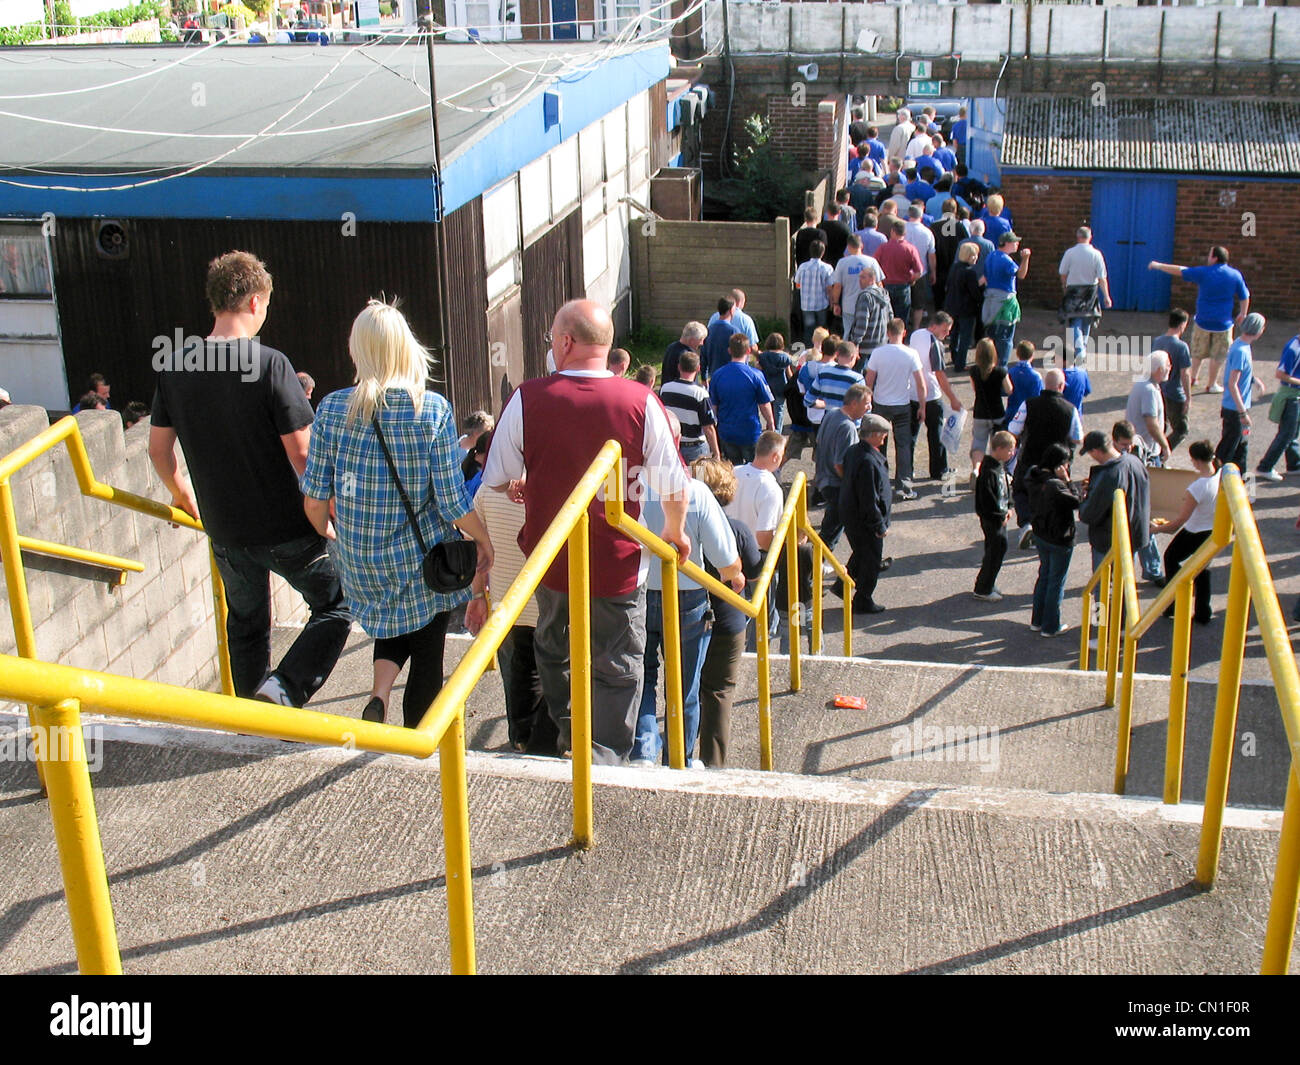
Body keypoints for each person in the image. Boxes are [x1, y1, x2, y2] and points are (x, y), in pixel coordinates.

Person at [482, 298, 690, 766]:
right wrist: (676, 534)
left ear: (566, 342)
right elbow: (676, 485)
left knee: (554, 650)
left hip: (552, 561)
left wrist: (527, 479)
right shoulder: (641, 401)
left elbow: (496, 476)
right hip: (618, 565)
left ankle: (570, 739)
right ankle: (607, 755)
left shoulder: (528, 397)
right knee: (618, 663)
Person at [149, 250, 350, 708]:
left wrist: (182, 494)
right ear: (256, 302)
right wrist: (329, 511)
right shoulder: (270, 365)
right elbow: (303, 455)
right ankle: (284, 688)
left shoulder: (175, 366)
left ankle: (250, 711)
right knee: (337, 603)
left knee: (245, 623)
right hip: (287, 529)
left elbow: (158, 450)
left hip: (224, 530)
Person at [301, 301, 492, 728]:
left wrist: (330, 537)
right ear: (407, 347)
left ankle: (378, 695)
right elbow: (451, 500)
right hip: (421, 559)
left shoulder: (331, 408)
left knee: (391, 621)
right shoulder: (431, 410)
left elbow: (314, 497)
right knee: (427, 645)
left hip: (358, 561)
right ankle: (418, 734)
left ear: (358, 350)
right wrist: (482, 539)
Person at [633, 414, 745, 768]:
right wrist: (737, 581)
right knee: (685, 687)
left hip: (635, 593)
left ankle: (642, 754)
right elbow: (728, 564)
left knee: (642, 678)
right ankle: (679, 758)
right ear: (677, 442)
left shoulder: (625, 487)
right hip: (687, 598)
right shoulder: (694, 491)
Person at [467, 446, 555, 754]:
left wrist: (477, 594)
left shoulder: (487, 491)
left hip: (507, 606)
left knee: (518, 674)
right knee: (555, 676)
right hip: (550, 606)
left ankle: (521, 737)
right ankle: (547, 743)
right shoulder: (554, 490)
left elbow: (476, 551)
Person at [691, 458, 763, 769]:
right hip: (730, 620)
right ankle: (713, 764)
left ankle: (676, 756)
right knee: (718, 691)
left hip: (687, 616)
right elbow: (756, 568)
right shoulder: (738, 530)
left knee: (685, 686)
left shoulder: (677, 529)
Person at [1148, 247, 1250, 393]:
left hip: (1203, 321)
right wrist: (1243, 313)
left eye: (1209, 255)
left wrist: (1159, 266)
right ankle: (1212, 383)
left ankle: (1193, 378)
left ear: (1214, 258)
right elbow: (1244, 296)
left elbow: (1181, 270)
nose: (1208, 257)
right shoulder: (1235, 275)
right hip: (1223, 324)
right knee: (1218, 356)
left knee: (1197, 353)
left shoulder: (1204, 272)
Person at [1007, 368, 1082, 549]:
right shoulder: (1070, 410)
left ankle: (1026, 524)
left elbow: (1013, 429)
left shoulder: (1029, 404)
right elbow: (1078, 438)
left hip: (1029, 459)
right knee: (1052, 497)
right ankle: (1046, 533)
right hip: (1056, 464)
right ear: (1061, 386)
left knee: (1021, 492)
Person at [1157, 440, 1221, 626]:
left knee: (1171, 558)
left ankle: (1173, 603)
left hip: (1193, 531)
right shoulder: (1220, 473)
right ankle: (1203, 612)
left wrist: (1154, 529)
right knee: (1202, 568)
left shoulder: (1198, 488)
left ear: (1196, 460)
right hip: (1211, 531)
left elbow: (1178, 522)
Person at [864, 318, 927, 500]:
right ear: (904, 333)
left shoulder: (878, 353)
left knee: (877, 445)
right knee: (904, 446)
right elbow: (921, 384)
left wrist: (869, 401)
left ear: (887, 333)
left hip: (881, 404)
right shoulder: (911, 354)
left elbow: (869, 380)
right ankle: (904, 487)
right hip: (902, 405)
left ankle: (879, 483)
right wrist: (922, 406)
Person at [1079, 429, 1152, 576]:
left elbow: (1088, 514)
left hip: (1109, 541)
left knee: (1102, 584)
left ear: (1096, 451)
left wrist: (1085, 498)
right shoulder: (1135, 461)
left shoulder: (1109, 475)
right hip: (1135, 534)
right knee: (1126, 581)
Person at [1025, 443, 1080, 638]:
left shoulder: (1033, 475)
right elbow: (1076, 501)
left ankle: (1037, 621)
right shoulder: (1055, 485)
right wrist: (1068, 481)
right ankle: (1050, 626)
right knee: (1056, 582)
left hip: (1041, 534)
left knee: (1045, 576)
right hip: (1059, 537)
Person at [840, 413, 893, 615]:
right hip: (864, 521)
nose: (884, 437)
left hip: (852, 516)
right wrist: (879, 526)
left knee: (862, 553)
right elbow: (868, 498)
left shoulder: (854, 452)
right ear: (872, 435)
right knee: (871, 559)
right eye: (882, 434)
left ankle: (841, 585)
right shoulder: (868, 461)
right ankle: (863, 600)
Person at [814, 382, 871, 553]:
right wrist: (851, 487)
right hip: (836, 486)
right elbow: (840, 464)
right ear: (854, 403)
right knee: (830, 534)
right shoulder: (848, 427)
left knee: (832, 528)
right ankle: (810, 572)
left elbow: (818, 443)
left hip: (823, 480)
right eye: (866, 403)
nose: (869, 407)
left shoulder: (831, 414)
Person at [909, 313, 963, 481]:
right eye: (945, 330)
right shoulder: (935, 344)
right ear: (934, 326)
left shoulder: (916, 335)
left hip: (912, 393)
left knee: (910, 435)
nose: (947, 334)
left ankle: (907, 470)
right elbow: (939, 374)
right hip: (931, 394)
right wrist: (953, 398)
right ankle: (939, 470)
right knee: (936, 434)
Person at [710, 332, 776, 464]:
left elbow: (714, 406)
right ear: (749, 350)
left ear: (729, 350)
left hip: (727, 432)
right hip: (750, 432)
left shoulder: (717, 375)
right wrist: (771, 422)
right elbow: (764, 404)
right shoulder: (756, 375)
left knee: (732, 471)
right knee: (755, 468)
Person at [1216, 312, 1266, 472]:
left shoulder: (1241, 345)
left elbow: (1240, 373)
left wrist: (1253, 379)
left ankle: (1240, 480)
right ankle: (1216, 478)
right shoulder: (1241, 351)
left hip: (1238, 407)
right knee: (1229, 448)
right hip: (1235, 409)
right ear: (1258, 331)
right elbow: (1233, 384)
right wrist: (1243, 413)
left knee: (1241, 446)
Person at [973, 430, 1016, 602]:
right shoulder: (988, 471)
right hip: (992, 519)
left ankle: (988, 582)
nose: (1012, 453)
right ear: (998, 448)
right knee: (996, 549)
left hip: (999, 516)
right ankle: (983, 588)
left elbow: (1006, 490)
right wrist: (1001, 515)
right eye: (1010, 450)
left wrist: (1010, 506)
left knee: (996, 549)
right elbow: (988, 499)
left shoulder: (998, 466)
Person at [1058, 227, 1111, 364]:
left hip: (1073, 290)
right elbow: (1102, 278)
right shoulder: (1096, 254)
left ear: (1077, 236)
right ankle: (1082, 349)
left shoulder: (1070, 253)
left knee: (1074, 321)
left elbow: (1063, 273)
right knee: (1086, 319)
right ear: (1090, 237)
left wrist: (1064, 287)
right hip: (1090, 291)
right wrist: (1106, 296)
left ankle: (1080, 350)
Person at [660, 350, 719, 463]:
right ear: (698, 368)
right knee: (699, 479)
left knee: (674, 479)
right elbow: (708, 427)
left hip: (673, 444)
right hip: (696, 448)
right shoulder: (700, 393)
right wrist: (716, 453)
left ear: (679, 367)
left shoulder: (665, 389)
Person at [1257, 330, 1300, 481]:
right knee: (1286, 434)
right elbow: (1280, 374)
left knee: (1293, 432)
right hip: (1290, 396)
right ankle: (1265, 466)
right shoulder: (1293, 349)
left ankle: (1294, 464)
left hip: (1295, 396)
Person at [983, 230, 1030, 367]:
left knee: (991, 334)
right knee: (1005, 336)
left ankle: (989, 363)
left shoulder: (990, 256)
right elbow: (1021, 275)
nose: (1017, 244)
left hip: (990, 299)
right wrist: (1026, 259)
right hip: (1005, 301)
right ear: (1007, 243)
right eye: (1015, 241)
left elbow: (985, 277)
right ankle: (1002, 367)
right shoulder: (1006, 260)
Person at [968, 337, 1011, 481]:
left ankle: (976, 469)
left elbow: (974, 389)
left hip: (980, 412)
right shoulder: (1000, 371)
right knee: (998, 444)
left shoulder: (974, 371)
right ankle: (995, 473)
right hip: (997, 413)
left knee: (978, 443)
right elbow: (1009, 389)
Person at [1153, 309, 1193, 452]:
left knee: (1161, 426)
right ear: (1182, 325)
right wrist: (1188, 397)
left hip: (1159, 390)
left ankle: (1157, 453)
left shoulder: (1157, 341)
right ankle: (1163, 452)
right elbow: (1185, 374)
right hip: (1175, 394)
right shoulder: (1182, 347)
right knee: (1181, 430)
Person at [829, 233, 884, 335]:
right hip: (869, 305)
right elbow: (879, 284)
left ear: (848, 247)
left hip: (849, 305)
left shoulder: (842, 262)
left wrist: (835, 303)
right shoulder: (872, 261)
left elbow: (837, 286)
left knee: (849, 333)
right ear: (861, 246)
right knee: (868, 332)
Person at [874, 218, 924, 325]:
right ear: (904, 233)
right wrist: (911, 280)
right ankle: (900, 338)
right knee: (901, 318)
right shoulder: (910, 249)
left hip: (885, 286)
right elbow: (919, 271)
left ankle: (886, 338)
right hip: (903, 286)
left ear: (892, 231)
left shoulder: (883, 248)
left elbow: (874, 266)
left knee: (885, 317)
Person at [944, 241, 983, 373]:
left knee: (954, 335)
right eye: (974, 256)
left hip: (952, 307)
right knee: (965, 338)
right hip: (966, 309)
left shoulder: (954, 267)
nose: (976, 258)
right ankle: (960, 365)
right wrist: (980, 285)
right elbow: (975, 293)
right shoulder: (970, 273)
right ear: (969, 257)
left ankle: (955, 358)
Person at [794, 241, 834, 347]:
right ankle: (822, 349)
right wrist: (832, 301)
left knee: (808, 330)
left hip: (806, 304)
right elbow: (829, 288)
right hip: (821, 303)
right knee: (822, 331)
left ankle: (809, 351)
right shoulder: (827, 268)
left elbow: (797, 283)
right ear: (823, 252)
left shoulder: (802, 267)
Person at [757, 333, 798, 432]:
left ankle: (769, 425)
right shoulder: (785, 358)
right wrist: (794, 384)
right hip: (781, 387)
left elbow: (758, 370)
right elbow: (789, 373)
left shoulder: (763, 357)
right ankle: (777, 430)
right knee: (779, 410)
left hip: (767, 387)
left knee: (768, 409)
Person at [1004, 340, 1043, 430]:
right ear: (1032, 355)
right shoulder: (1036, 376)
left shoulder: (1010, 372)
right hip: (1028, 415)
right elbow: (1038, 397)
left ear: (1017, 354)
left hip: (1012, 413)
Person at [702, 296, 742, 376]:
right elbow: (740, 355)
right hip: (731, 375)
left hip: (714, 375)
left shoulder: (708, 330)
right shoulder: (733, 331)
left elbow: (703, 355)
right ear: (731, 310)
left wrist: (703, 376)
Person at [662, 321, 708, 385]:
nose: (702, 343)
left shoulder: (671, 347)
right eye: (701, 340)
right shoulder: (687, 356)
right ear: (692, 340)